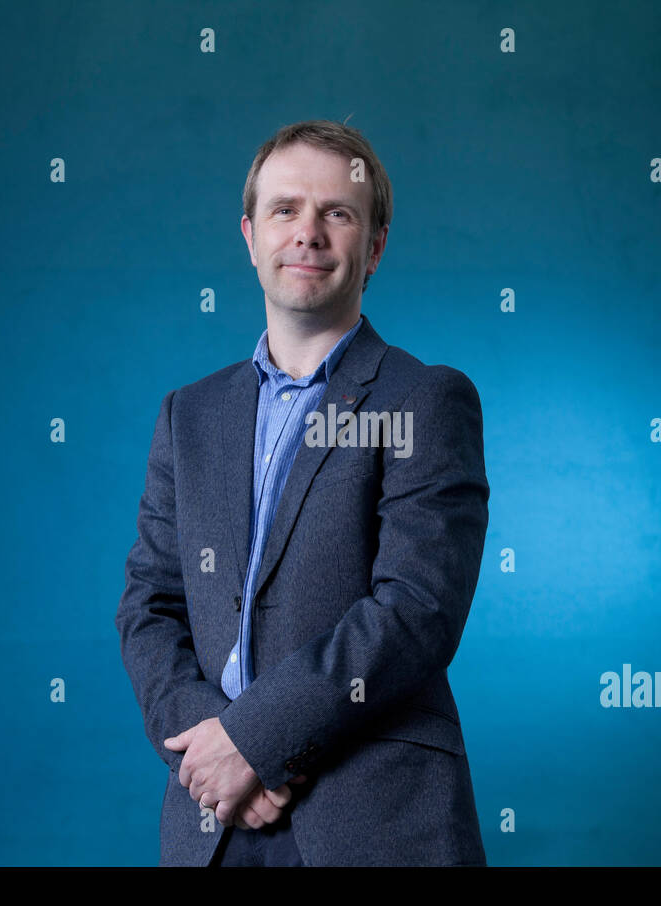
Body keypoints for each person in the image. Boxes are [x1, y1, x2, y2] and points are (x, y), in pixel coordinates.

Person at [115, 119, 490, 865]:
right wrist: (213, 753)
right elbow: (148, 607)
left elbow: (416, 610)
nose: (308, 233)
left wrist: (254, 741)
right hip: (214, 823)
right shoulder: (187, 416)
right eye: (286, 210)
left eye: (338, 213)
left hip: (375, 820)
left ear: (375, 246)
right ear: (250, 236)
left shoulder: (424, 401)